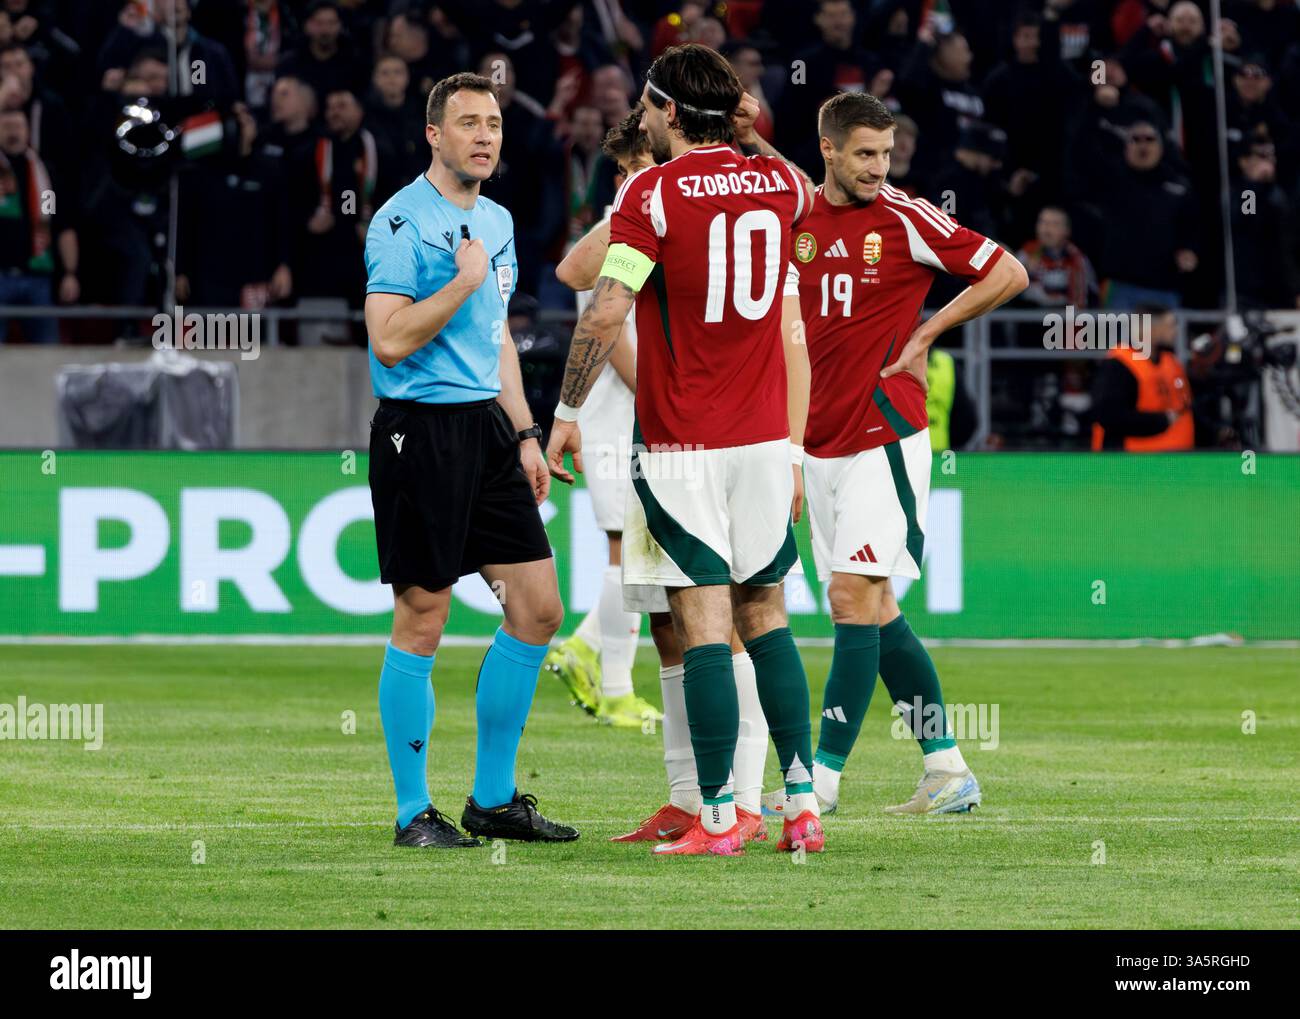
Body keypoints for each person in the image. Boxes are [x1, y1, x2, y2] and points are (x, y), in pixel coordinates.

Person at [546, 44, 819, 857]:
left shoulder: (650, 195)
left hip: (678, 444)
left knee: (699, 622)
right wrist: (756, 135)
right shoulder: (779, 183)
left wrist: (564, 409)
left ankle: (720, 814)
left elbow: (601, 310)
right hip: (766, 438)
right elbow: (808, 187)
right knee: (763, 616)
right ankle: (799, 804)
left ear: (665, 111)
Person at [767, 91, 1026, 817]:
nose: (880, 167)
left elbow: (1007, 270)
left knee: (851, 597)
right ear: (829, 150)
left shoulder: (906, 217)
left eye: (887, 153)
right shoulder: (794, 220)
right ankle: (947, 768)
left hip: (883, 435)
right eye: (866, 154)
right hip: (815, 442)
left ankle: (819, 782)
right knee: (874, 607)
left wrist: (927, 332)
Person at [363, 71, 576, 849]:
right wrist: (461, 283)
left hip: (486, 429)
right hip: (418, 431)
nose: (485, 135)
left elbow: (495, 338)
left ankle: (492, 800)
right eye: (468, 123)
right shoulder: (398, 222)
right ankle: (413, 811)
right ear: (434, 134)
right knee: (425, 615)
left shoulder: (498, 219)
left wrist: (524, 432)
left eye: (493, 123)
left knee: (539, 607)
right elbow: (387, 337)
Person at [1090, 304, 1194, 451]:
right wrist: (1161, 421)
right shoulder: (1120, 364)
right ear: (1150, 329)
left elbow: (1186, 407)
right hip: (1133, 465)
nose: (1176, 331)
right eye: (1170, 325)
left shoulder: (1170, 361)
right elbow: (1110, 416)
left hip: (1177, 463)